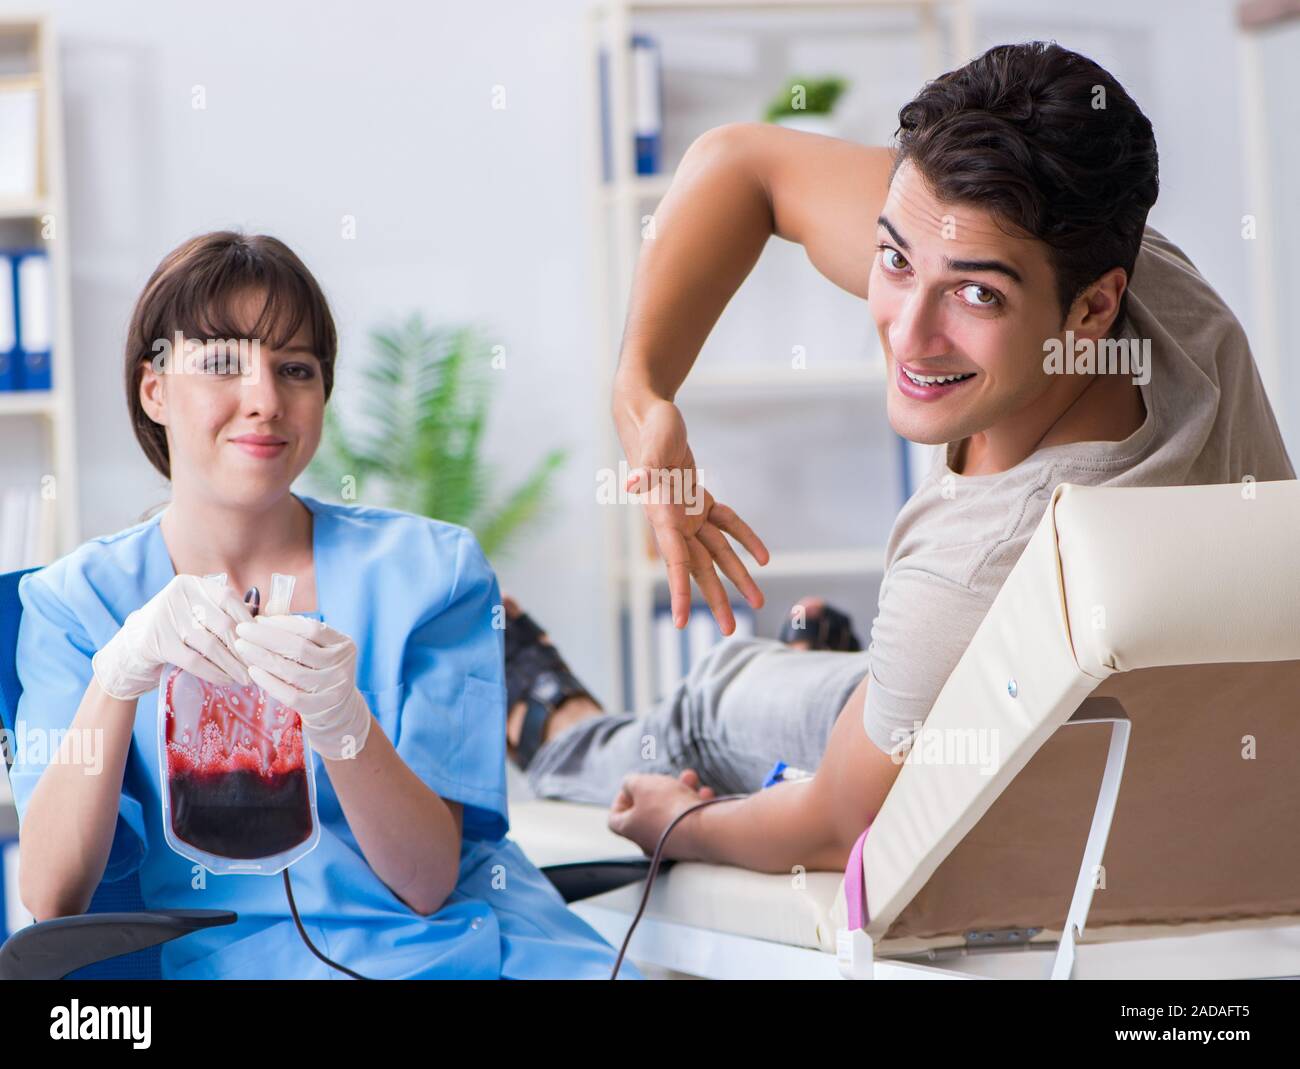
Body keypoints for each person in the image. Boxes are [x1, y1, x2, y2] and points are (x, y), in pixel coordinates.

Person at [524, 42, 1296, 872]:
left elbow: (836, 829)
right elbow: (739, 165)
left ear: (1093, 306)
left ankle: (552, 722)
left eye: (977, 294)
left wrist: (681, 823)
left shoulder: (978, 569)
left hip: (1020, 810)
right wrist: (642, 403)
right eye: (892, 259)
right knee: (850, 688)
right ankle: (862, 684)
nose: (907, 332)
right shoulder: (1139, 278)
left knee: (710, 699)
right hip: (1193, 799)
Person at [9, 231, 635, 979]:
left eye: (295, 369)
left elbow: (428, 880)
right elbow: (52, 898)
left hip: (439, 954)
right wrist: (115, 679)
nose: (266, 400)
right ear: (154, 389)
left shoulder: (430, 573)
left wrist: (346, 727)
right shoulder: (76, 605)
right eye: (221, 364)